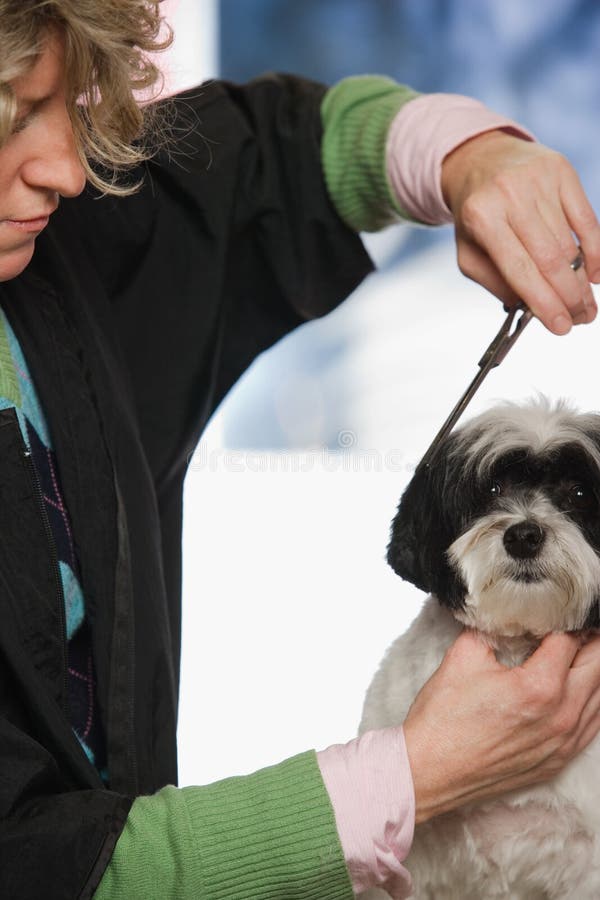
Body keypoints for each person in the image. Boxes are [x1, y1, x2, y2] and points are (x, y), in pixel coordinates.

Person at [2, 2, 600, 898]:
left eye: (74, 107)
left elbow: (262, 155)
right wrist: (409, 779)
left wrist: (469, 157)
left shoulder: (67, 252)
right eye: (11, 115)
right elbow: (30, 859)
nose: (66, 170)